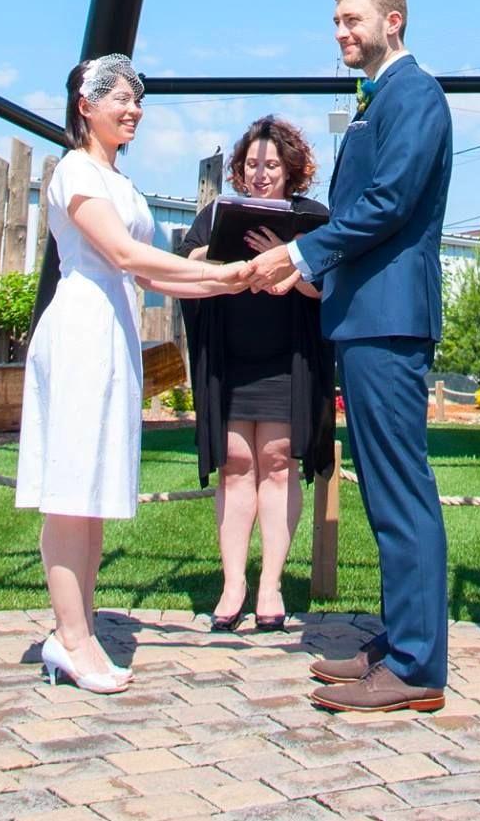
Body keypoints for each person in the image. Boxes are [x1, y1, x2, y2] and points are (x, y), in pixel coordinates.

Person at [248, 0, 454, 713]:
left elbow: (390, 201)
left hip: (390, 320)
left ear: (392, 21)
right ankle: (400, 641)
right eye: (336, 20)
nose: (341, 31)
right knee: (384, 486)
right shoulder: (378, 99)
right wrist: (318, 278)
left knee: (400, 487)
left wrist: (303, 254)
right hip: (363, 314)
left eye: (352, 18)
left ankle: (417, 666)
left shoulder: (414, 94)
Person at [16, 52, 250, 693]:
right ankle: (72, 638)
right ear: (85, 106)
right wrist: (226, 273)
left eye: (137, 99)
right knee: (72, 489)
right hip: (80, 331)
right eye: (120, 98)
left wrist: (227, 282)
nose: (134, 110)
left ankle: (78, 626)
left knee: (91, 490)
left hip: (112, 334)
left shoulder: (121, 182)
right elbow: (122, 254)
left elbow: (149, 275)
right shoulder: (74, 171)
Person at [178, 116, 335, 631]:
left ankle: (270, 585)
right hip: (229, 361)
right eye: (251, 165)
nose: (260, 174)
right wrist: (222, 257)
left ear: (290, 169)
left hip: (288, 362)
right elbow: (188, 265)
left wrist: (285, 262)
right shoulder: (217, 213)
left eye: (270, 165)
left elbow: (329, 289)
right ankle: (233, 585)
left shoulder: (313, 218)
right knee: (237, 464)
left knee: (277, 462)